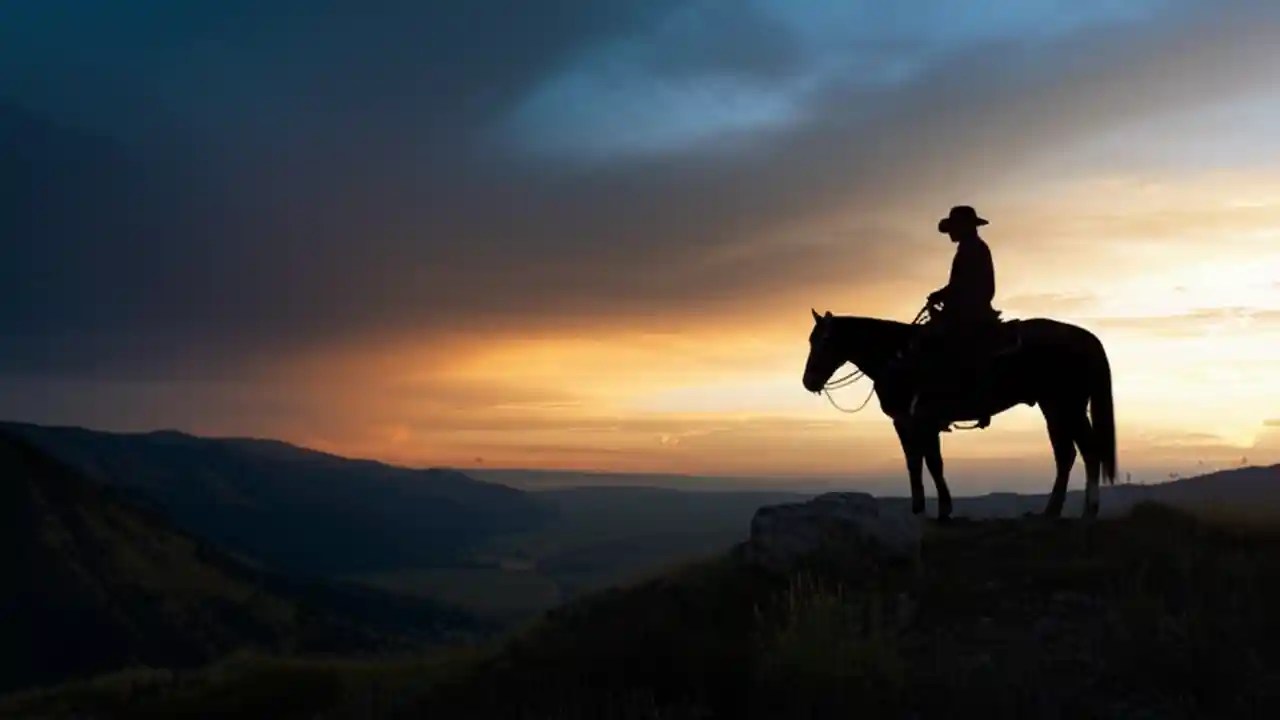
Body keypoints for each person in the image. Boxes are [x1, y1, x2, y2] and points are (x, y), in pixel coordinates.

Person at [910, 205, 1001, 429]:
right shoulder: (970, 248)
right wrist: (943, 295)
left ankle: (947, 404)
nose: (951, 232)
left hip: (971, 312)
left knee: (936, 345)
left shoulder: (973, 249)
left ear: (964, 227)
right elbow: (960, 285)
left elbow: (967, 285)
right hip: (968, 309)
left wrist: (945, 296)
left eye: (954, 227)